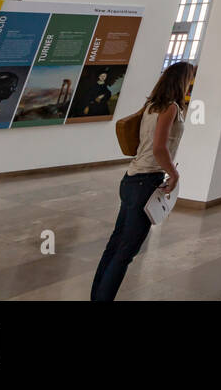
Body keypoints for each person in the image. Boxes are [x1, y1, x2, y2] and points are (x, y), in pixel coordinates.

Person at [91, 60, 195, 301]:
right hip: (146, 182)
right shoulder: (170, 108)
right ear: (182, 81)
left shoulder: (151, 106)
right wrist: (175, 174)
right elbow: (160, 148)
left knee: (115, 246)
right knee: (125, 252)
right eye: (189, 79)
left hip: (131, 178)